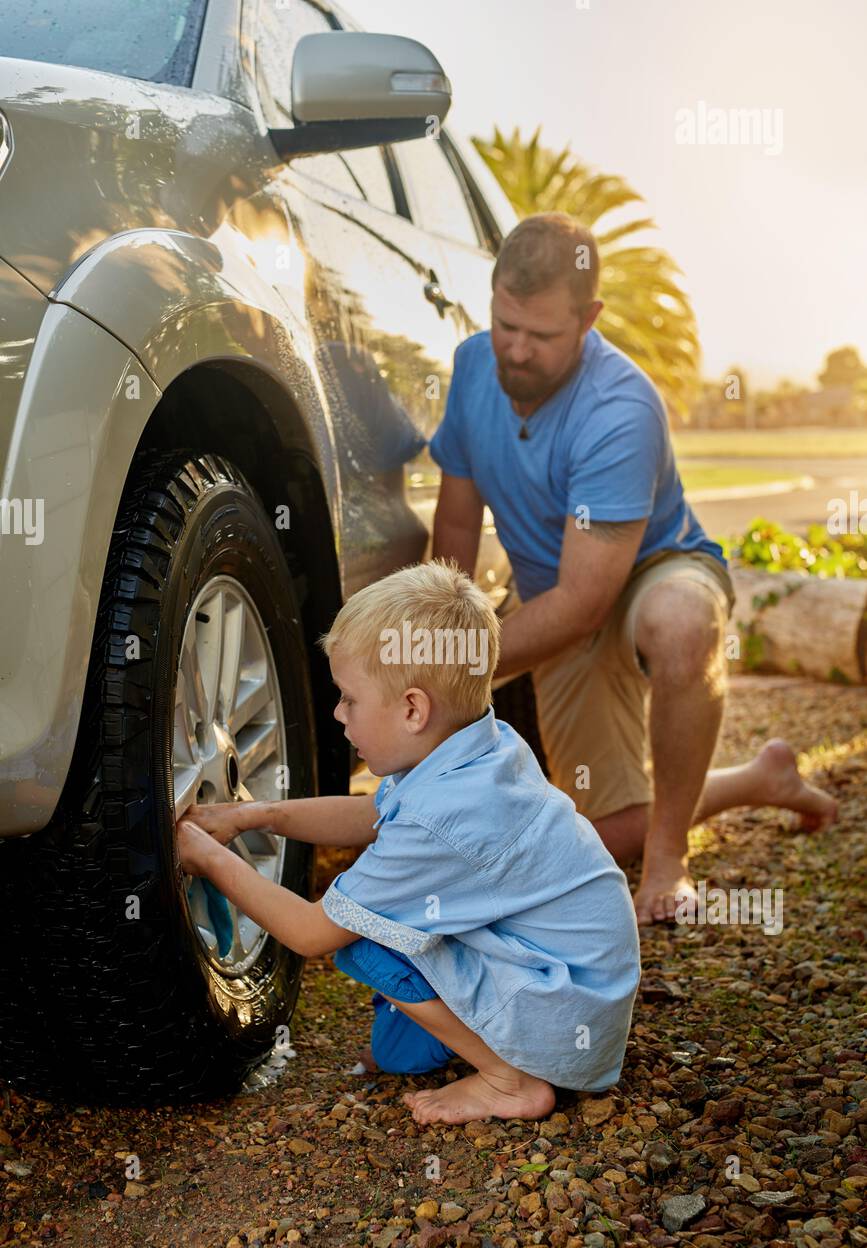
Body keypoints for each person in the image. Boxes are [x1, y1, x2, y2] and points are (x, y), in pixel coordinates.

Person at [429, 212, 836, 927]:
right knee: (595, 836)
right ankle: (756, 778)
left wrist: (452, 667)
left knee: (680, 623)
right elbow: (458, 522)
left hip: (651, 572)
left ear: (589, 319)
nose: (516, 351)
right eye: (505, 324)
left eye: (542, 335)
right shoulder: (470, 369)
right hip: (554, 591)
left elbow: (587, 604)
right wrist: (441, 630)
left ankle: (670, 857)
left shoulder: (620, 406)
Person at [177, 560, 640, 1126]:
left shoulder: (440, 819)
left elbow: (310, 932)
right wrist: (255, 816)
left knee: (361, 939)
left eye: (349, 698)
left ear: (413, 709)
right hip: (574, 994)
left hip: (562, 1016)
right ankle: (488, 1048)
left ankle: (509, 1081)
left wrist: (205, 854)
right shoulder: (480, 748)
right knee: (398, 1055)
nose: (337, 713)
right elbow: (370, 815)